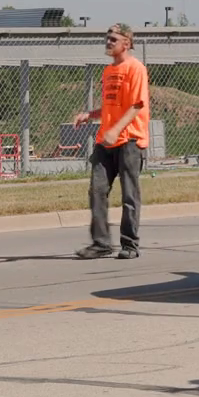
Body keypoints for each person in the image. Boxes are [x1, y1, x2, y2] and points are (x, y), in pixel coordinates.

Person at [72, 22, 151, 260]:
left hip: (130, 141)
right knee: (97, 190)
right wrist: (90, 115)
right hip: (106, 141)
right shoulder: (108, 71)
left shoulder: (136, 68)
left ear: (126, 43)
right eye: (107, 38)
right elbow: (111, 106)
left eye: (113, 39)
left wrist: (116, 130)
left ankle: (130, 244)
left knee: (129, 195)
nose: (108, 42)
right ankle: (101, 243)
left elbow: (136, 105)